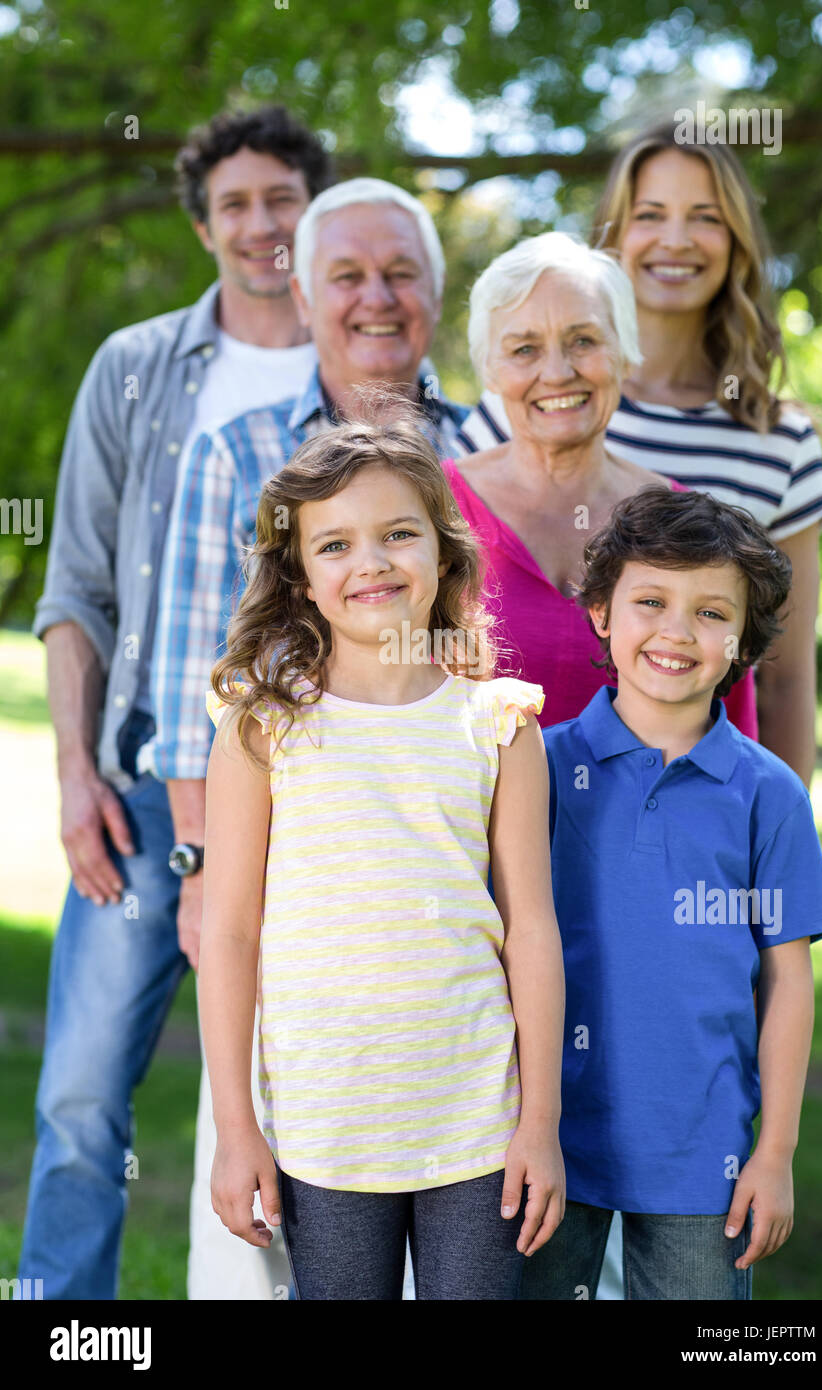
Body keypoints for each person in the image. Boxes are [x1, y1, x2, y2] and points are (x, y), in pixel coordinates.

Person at [18, 104, 333, 1301]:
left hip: (306, 805)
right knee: (87, 1088)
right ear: (203, 223)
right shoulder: (137, 367)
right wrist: (74, 772)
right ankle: (65, 1320)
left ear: (316, 213)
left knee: (286, 1088)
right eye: (237, 204)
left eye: (283, 201)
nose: (262, 226)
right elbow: (77, 588)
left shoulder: (358, 359)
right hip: (148, 797)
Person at [148, 176, 468, 1298]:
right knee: (262, 1238)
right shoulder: (233, 448)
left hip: (446, 900)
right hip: (282, 888)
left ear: (435, 291)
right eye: (347, 275)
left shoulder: (481, 448)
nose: (376, 298)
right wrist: (201, 865)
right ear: (303, 286)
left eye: (400, 273)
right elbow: (196, 663)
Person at [197, 413, 566, 1299]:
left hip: (479, 1124)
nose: (371, 562)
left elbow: (533, 931)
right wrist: (237, 1132)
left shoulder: (501, 723)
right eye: (335, 545)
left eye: (399, 533)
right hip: (325, 1127)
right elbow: (231, 934)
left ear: (443, 553)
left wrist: (541, 1122)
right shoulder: (263, 729)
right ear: (302, 580)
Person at [521, 486, 822, 1300]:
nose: (676, 632)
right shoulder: (537, 768)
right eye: (652, 601)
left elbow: (790, 982)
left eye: (710, 613)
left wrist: (774, 1155)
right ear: (600, 611)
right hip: (547, 1137)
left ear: (743, 640)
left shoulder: (770, 794)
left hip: (707, 1158)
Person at [455, 125, 822, 786]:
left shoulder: (777, 440)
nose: (677, 239)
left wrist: (773, 845)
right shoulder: (511, 418)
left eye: (705, 217)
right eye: (651, 215)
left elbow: (781, 684)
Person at [441, 231, 756, 736]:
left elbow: (729, 734)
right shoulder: (427, 510)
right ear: (491, 372)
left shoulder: (691, 528)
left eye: (583, 341)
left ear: (626, 355)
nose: (558, 371)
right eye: (524, 348)